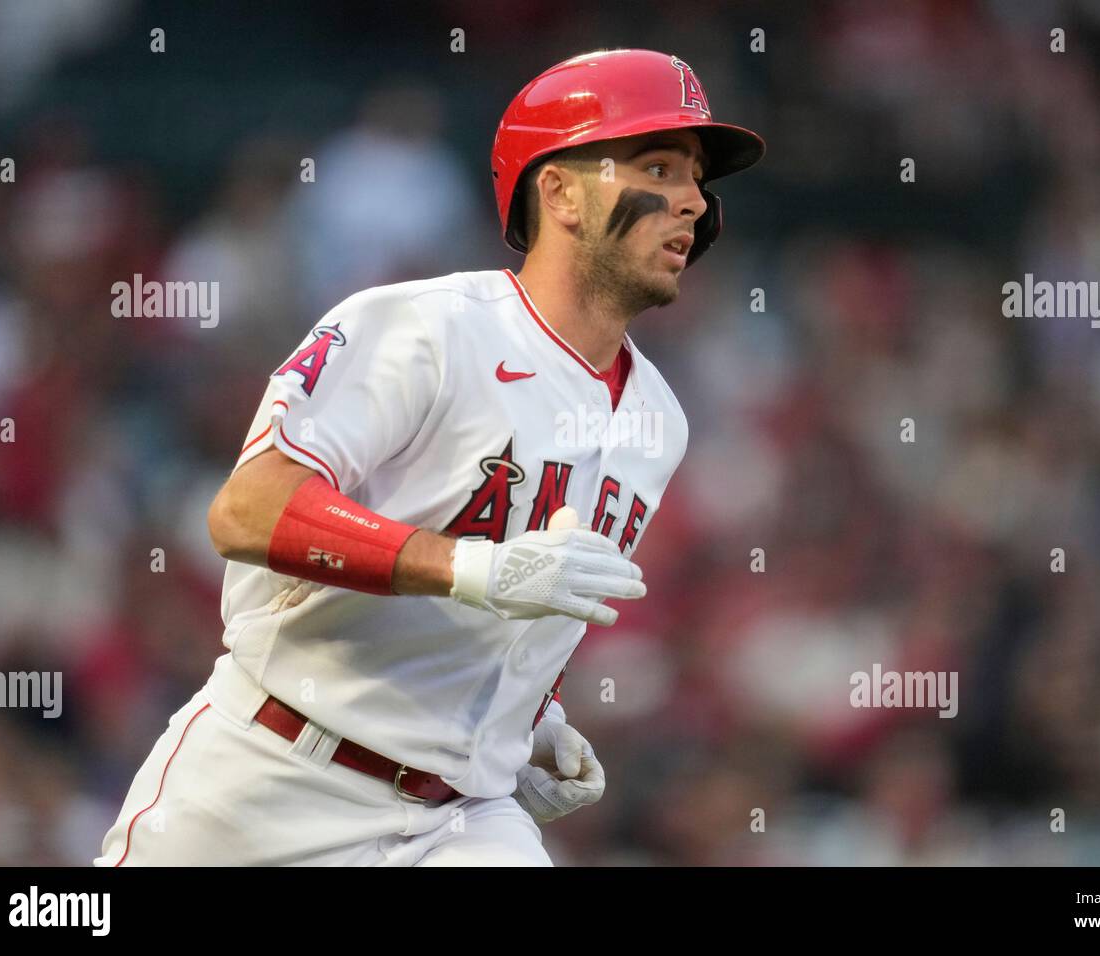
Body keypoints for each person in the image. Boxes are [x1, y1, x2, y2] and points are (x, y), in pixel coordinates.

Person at [95, 48, 764, 867]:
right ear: (557, 191)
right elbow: (248, 508)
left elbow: (536, 599)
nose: (694, 201)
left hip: (460, 824)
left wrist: (530, 720)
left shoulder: (660, 418)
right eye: (658, 166)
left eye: (698, 178)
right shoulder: (426, 328)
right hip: (271, 775)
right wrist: (472, 569)